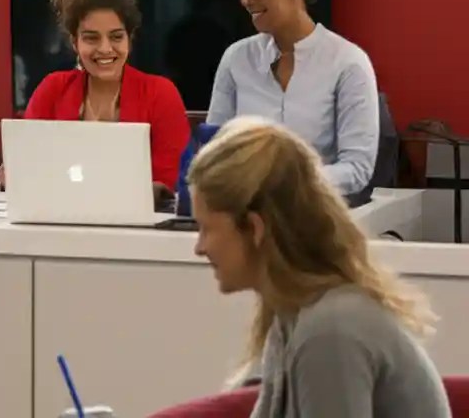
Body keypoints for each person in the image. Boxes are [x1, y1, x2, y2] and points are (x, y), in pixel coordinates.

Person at [189, 117, 450, 417]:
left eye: (207, 229)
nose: (200, 247)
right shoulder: (295, 315)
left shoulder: (330, 331)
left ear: (254, 227)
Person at [206, 0, 379, 198]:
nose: (248, 0)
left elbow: (356, 168)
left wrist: (285, 184)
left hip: (316, 214)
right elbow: (213, 148)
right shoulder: (236, 59)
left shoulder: (348, 62)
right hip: (246, 212)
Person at [0, 0, 190, 203]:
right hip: (57, 219)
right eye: (91, 38)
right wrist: (15, 173)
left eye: (116, 37)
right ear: (74, 42)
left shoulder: (160, 92)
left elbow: (170, 181)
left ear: (130, 38)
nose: (105, 49)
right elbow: (24, 165)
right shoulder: (53, 88)